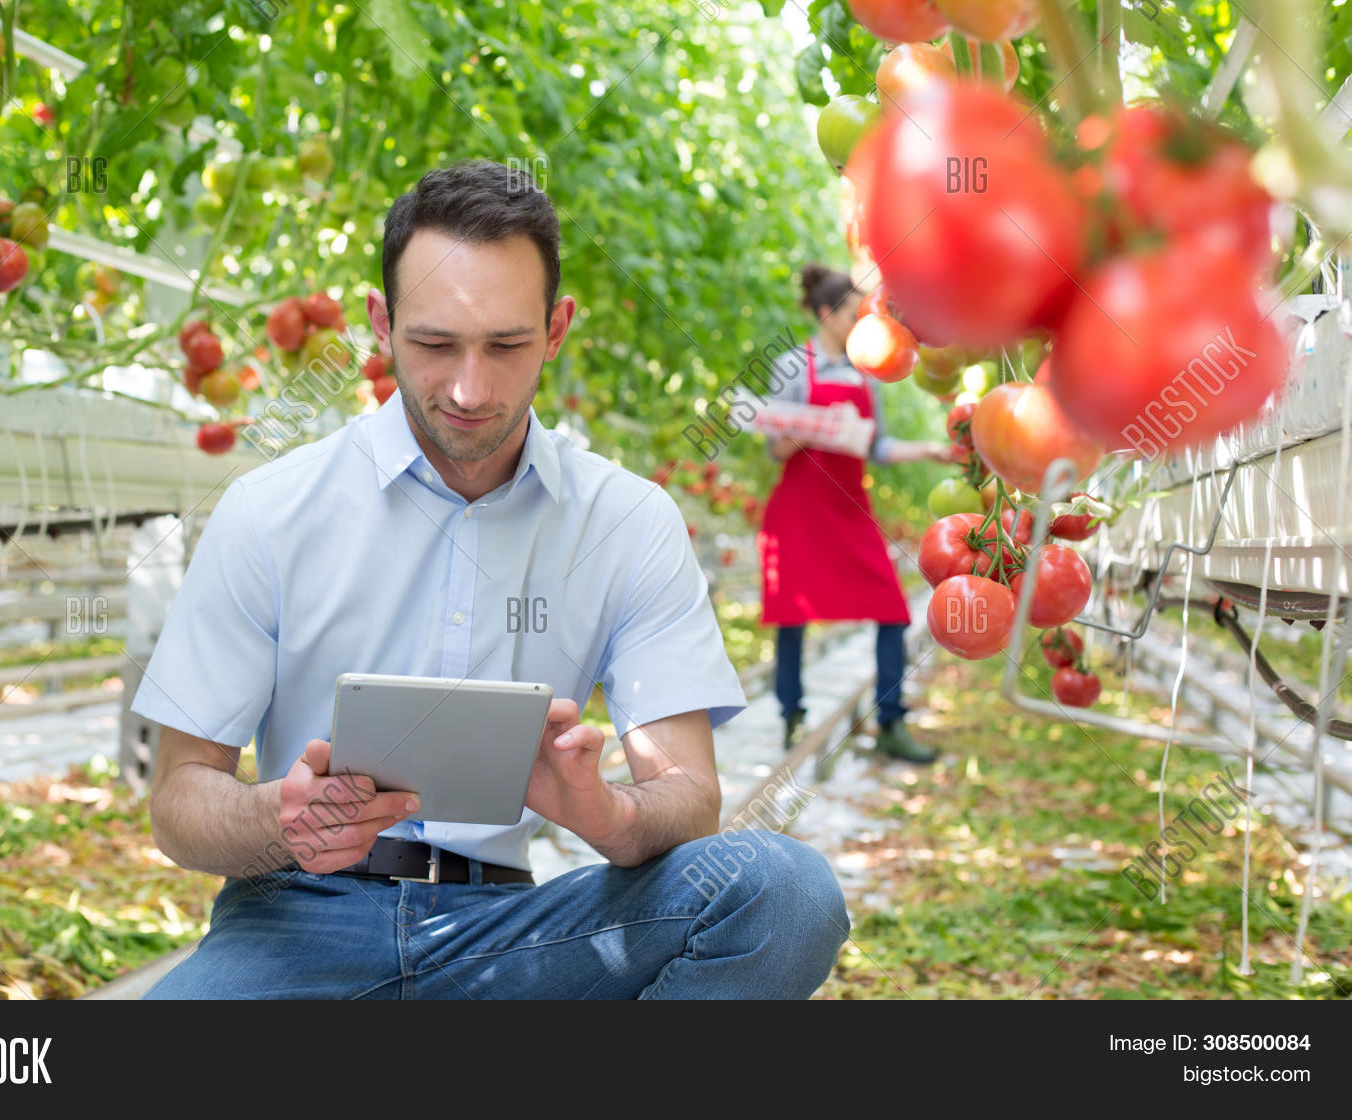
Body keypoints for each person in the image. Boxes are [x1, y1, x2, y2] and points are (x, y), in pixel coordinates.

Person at [129, 160, 850, 999]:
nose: (470, 389)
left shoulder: (627, 522)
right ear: (380, 322)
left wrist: (609, 815)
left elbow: (690, 796)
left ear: (557, 328)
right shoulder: (270, 511)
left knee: (783, 891)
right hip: (293, 925)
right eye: (434, 344)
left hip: (511, 937)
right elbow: (180, 802)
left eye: (506, 346)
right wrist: (283, 819)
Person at [756, 264, 952, 763]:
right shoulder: (792, 366)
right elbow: (776, 450)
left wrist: (931, 450)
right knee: (792, 618)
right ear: (827, 314)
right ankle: (791, 715)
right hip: (799, 512)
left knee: (892, 609)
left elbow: (878, 447)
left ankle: (891, 722)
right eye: (852, 311)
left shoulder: (869, 372)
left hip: (847, 509)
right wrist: (815, 426)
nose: (864, 318)